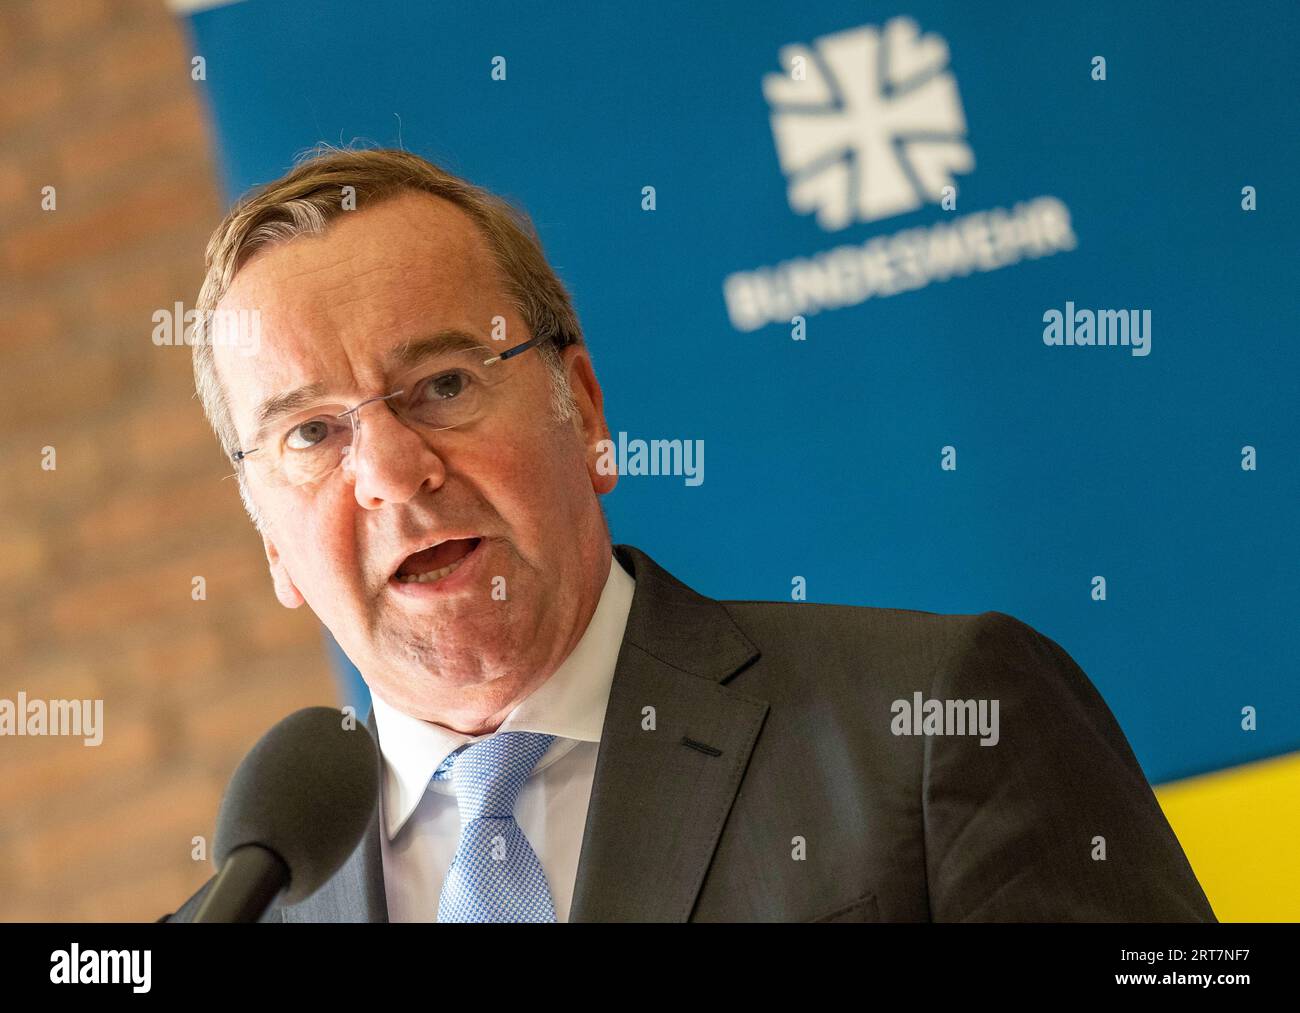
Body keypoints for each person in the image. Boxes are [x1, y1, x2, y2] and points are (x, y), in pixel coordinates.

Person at [163, 148, 1214, 922]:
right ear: (267, 537)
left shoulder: (939, 721)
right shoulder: (242, 915)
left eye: (442, 384)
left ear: (583, 407)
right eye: (311, 432)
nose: (394, 473)